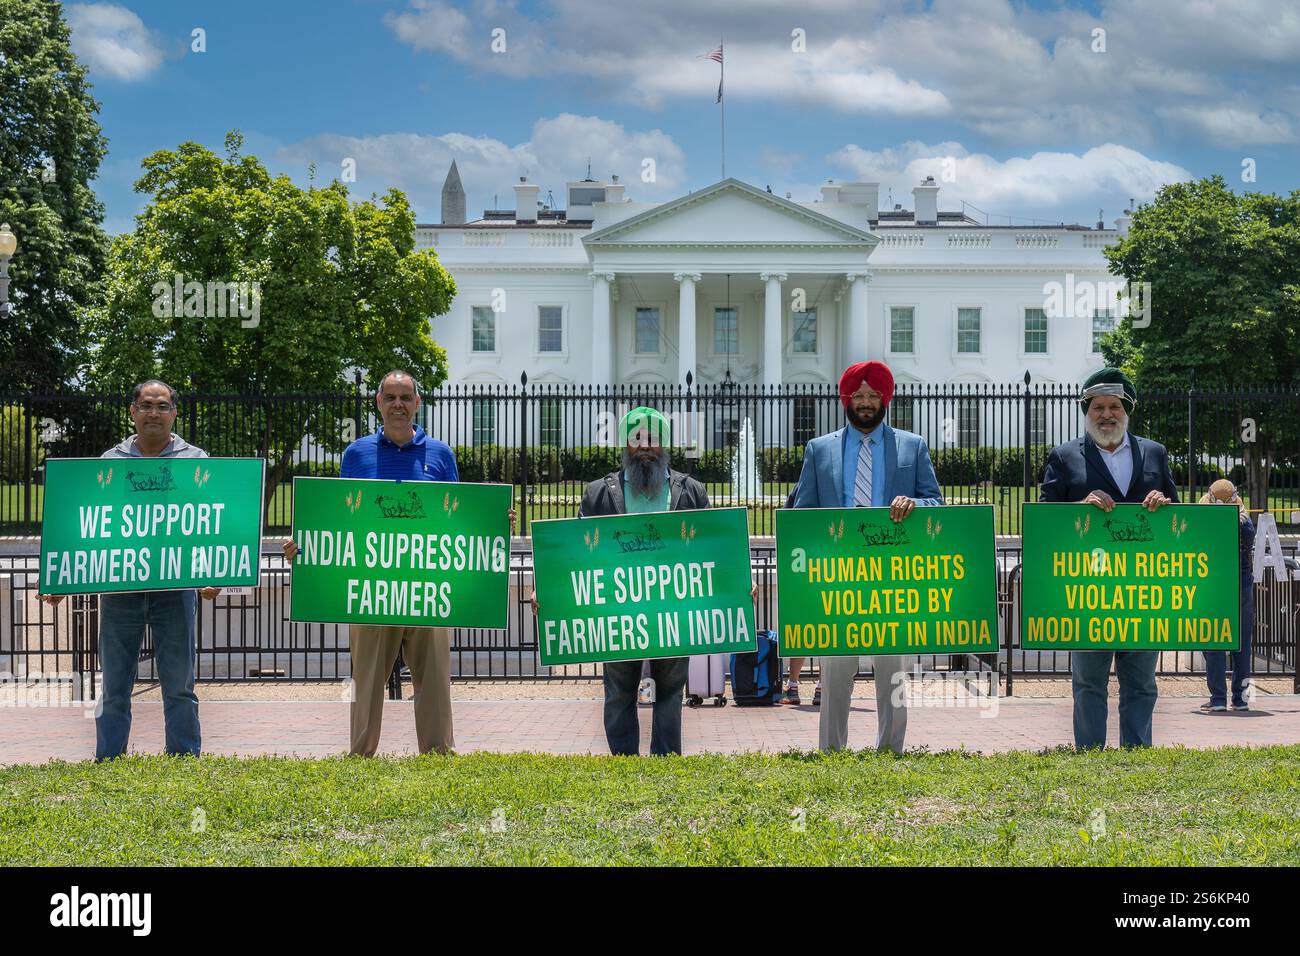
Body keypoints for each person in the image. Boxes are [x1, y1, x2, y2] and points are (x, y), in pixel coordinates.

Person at [282, 370, 513, 756]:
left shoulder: (441, 455)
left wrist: (493, 521)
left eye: (406, 397)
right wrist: (301, 542)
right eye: (390, 397)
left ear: (418, 403)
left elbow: (457, 517)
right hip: (372, 590)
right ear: (378, 403)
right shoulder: (356, 454)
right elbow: (340, 519)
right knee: (367, 678)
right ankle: (360, 754)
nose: (398, 405)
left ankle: (439, 754)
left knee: (435, 680)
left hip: (429, 588)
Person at [41, 380, 220, 760]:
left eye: (163, 406)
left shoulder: (197, 461)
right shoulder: (110, 463)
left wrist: (212, 575)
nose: (154, 413)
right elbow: (87, 525)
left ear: (174, 413)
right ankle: (109, 759)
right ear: (132, 412)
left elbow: (210, 523)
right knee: (115, 685)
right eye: (147, 405)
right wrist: (59, 582)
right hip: (120, 590)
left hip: (176, 588)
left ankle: (185, 758)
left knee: (180, 685)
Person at [531, 406, 710, 756]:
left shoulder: (691, 492)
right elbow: (575, 551)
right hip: (617, 612)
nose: (645, 446)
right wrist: (546, 587)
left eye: (653, 438)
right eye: (636, 437)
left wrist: (739, 583)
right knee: (618, 692)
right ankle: (623, 762)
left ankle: (666, 759)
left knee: (672, 691)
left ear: (665, 444)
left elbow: (714, 548)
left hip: (674, 609)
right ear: (625, 444)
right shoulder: (600, 493)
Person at [789, 361, 943, 753]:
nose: (866, 403)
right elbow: (802, 513)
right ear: (846, 399)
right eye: (858, 395)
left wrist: (917, 504)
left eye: (874, 395)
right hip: (837, 578)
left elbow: (936, 503)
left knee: (892, 675)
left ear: (885, 398)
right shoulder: (819, 449)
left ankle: (890, 752)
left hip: (892, 577)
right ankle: (831, 753)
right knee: (835, 671)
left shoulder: (912, 445)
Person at [1039, 367, 1178, 749]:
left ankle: (1136, 752)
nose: (1106, 414)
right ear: (1087, 412)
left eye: (1114, 406)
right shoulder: (1065, 456)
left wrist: (1163, 505)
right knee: (1087, 681)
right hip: (1088, 590)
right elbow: (1044, 520)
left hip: (1144, 590)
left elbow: (1180, 521)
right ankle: (1089, 753)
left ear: (1127, 410)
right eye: (1098, 407)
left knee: (1142, 681)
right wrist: (1078, 509)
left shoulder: (1154, 452)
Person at [1199, 480, 1255, 713]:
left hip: (1214, 584)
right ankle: (1240, 700)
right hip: (1241, 584)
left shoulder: (1206, 523)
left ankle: (1218, 698)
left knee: (1214, 639)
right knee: (1241, 643)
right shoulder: (1245, 522)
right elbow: (1249, 543)